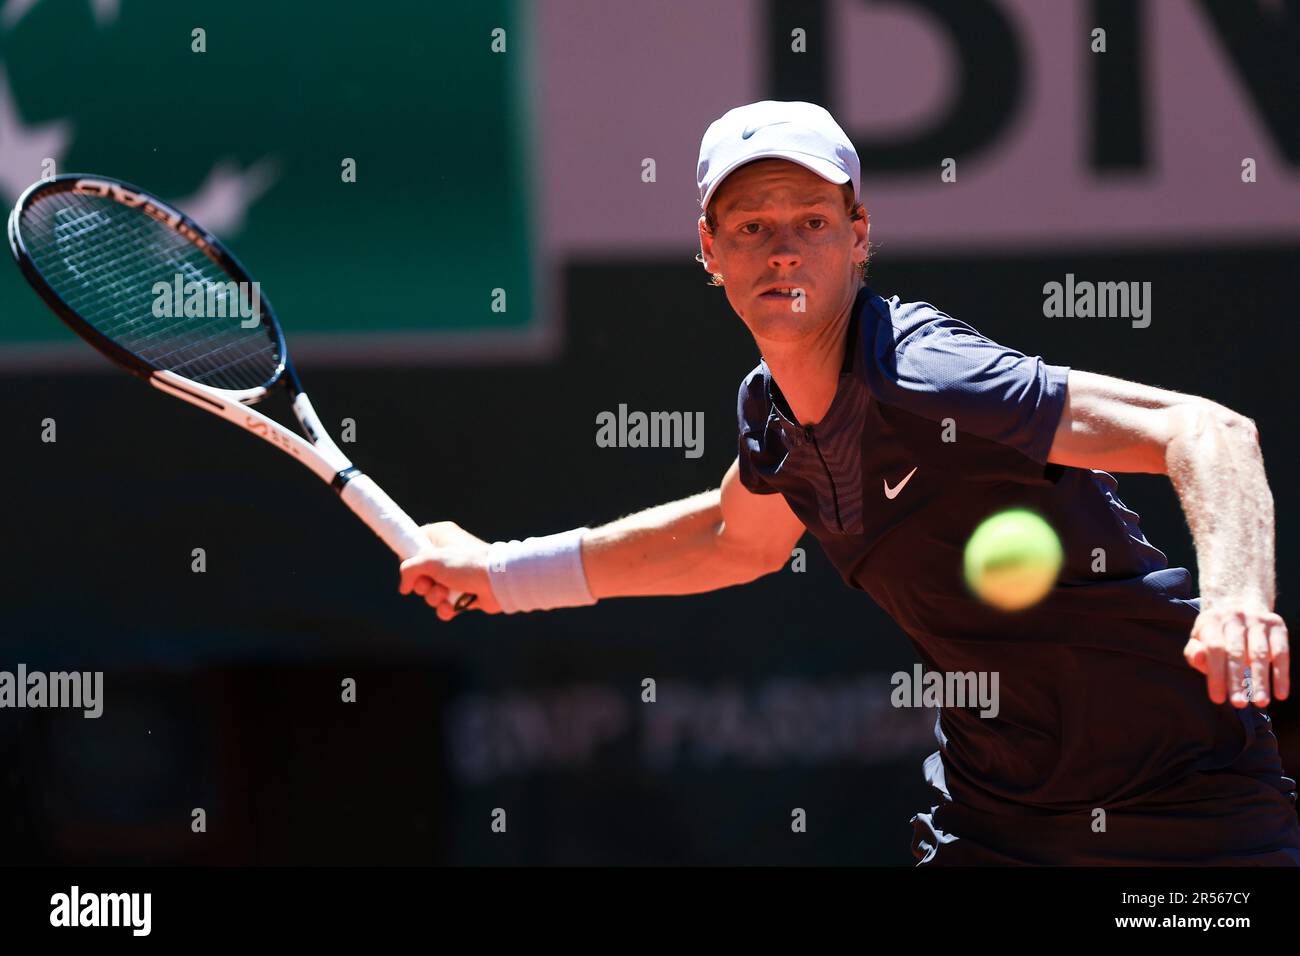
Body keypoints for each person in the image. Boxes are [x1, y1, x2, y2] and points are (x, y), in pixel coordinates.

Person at [398, 100, 1298, 865]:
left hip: (1186, 807)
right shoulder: (771, 416)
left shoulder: (927, 371)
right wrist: (500, 573)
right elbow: (730, 539)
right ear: (708, 248)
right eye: (751, 226)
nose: (782, 250)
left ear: (858, 234)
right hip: (997, 814)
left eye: (812, 222)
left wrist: (1235, 603)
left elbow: (1206, 431)